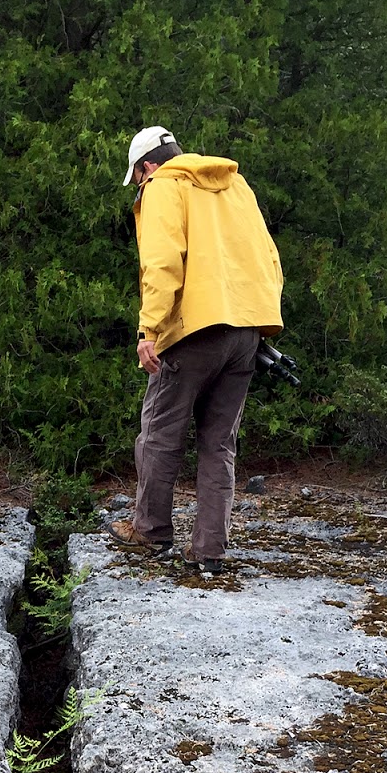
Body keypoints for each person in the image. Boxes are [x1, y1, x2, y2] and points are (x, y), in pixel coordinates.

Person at [105, 125, 284, 575]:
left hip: (193, 330)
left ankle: (150, 531)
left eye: (139, 179)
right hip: (247, 329)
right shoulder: (235, 185)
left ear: (148, 166)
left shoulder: (165, 186)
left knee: (161, 434)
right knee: (219, 442)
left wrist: (149, 327)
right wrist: (260, 320)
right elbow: (269, 256)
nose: (141, 187)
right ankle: (209, 550)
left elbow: (163, 262)